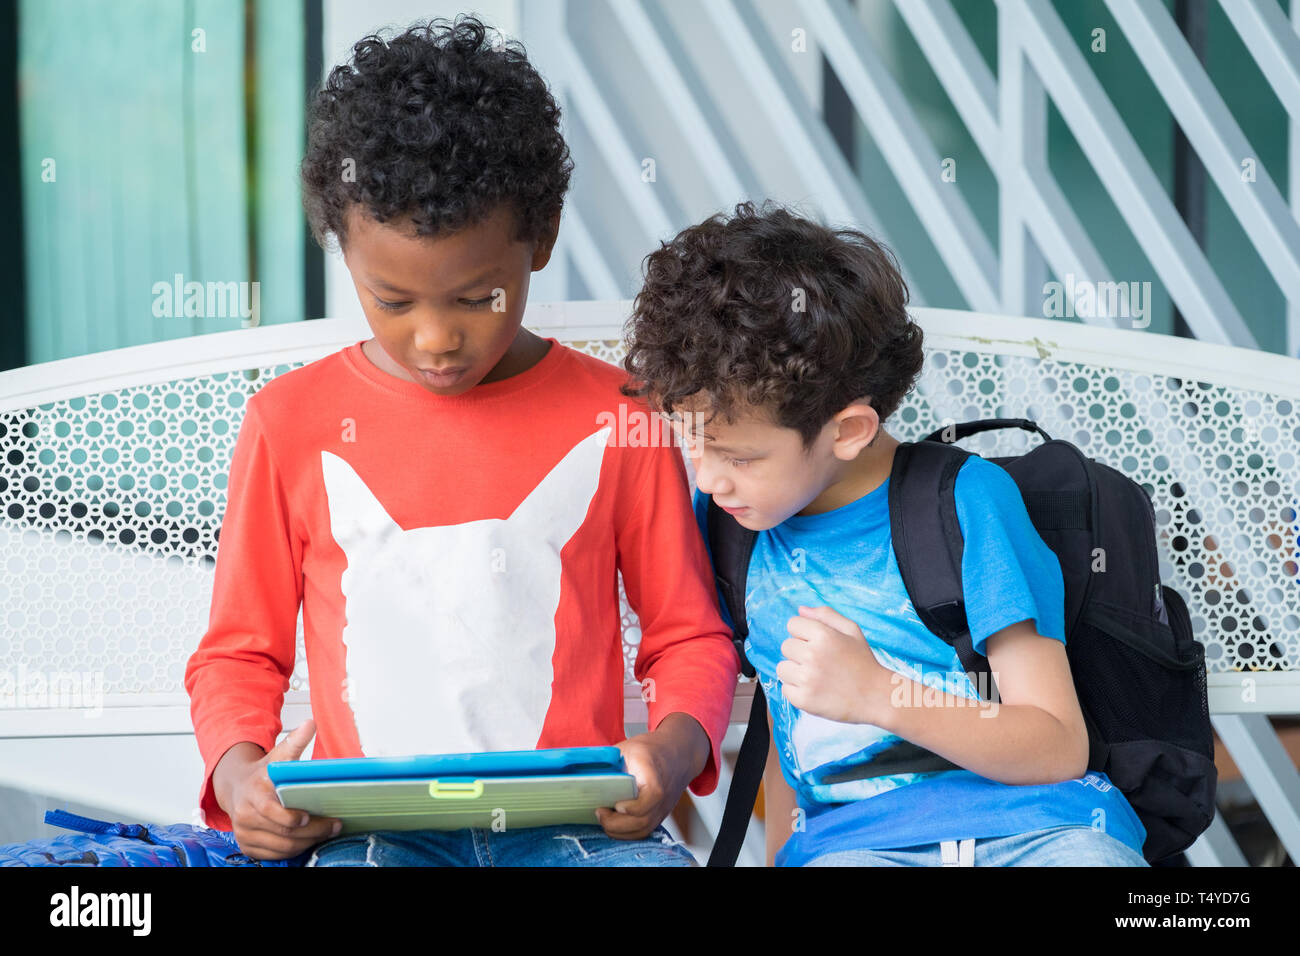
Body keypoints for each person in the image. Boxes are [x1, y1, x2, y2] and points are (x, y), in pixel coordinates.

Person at [183, 15, 739, 868]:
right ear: (342, 249)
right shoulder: (288, 424)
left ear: (541, 239)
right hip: (367, 835)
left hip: (575, 830)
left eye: (478, 296)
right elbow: (238, 655)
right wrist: (238, 777)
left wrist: (669, 756)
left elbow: (688, 637)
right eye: (393, 301)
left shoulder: (621, 417)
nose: (437, 339)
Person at [619, 200, 1149, 867]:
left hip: (1036, 832)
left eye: (741, 457)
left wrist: (878, 695)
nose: (708, 479)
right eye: (691, 444)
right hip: (855, 847)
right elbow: (791, 732)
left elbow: (1056, 743)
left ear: (846, 431)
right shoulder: (734, 530)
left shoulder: (962, 506)